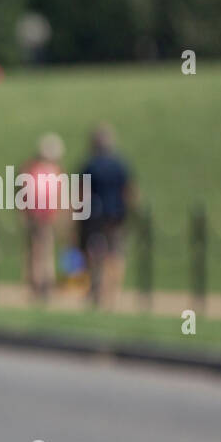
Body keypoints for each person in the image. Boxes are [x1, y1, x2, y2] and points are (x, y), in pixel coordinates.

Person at [79, 123, 135, 309]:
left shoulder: (90, 165)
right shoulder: (120, 164)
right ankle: (113, 292)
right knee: (116, 253)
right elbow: (129, 191)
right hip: (117, 215)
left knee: (96, 253)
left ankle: (98, 290)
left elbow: (81, 193)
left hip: (95, 216)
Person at [19, 133, 65, 301]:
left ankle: (40, 284)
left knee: (37, 251)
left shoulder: (32, 169)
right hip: (42, 216)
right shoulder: (44, 170)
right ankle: (41, 283)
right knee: (42, 250)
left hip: (39, 216)